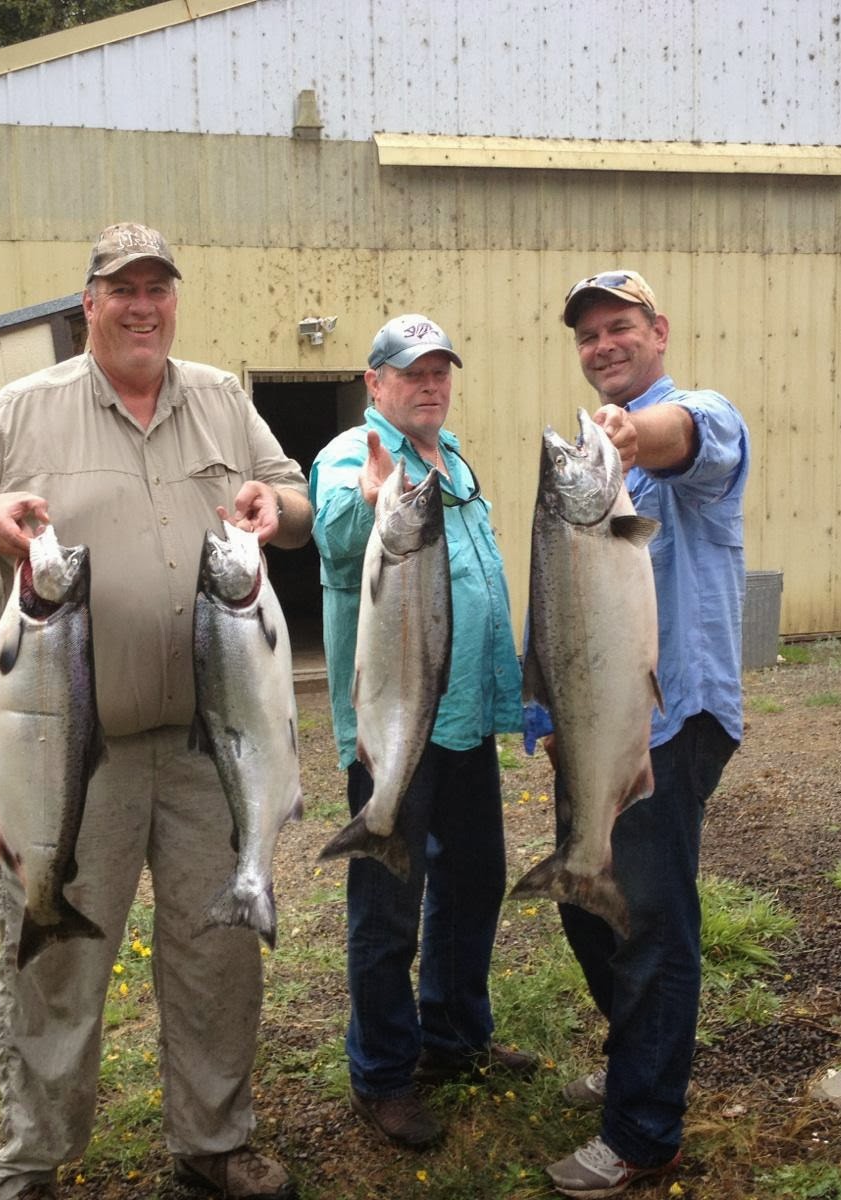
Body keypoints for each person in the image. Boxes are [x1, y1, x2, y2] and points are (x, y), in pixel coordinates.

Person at [0, 223, 312, 1200]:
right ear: (88, 302)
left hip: (215, 747)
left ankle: (212, 1145)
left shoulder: (220, 399)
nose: (141, 306)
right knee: (52, 966)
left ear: (175, 299)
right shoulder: (20, 412)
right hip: (73, 756)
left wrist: (271, 511)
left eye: (157, 288)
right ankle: (32, 1160)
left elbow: (292, 507)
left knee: (219, 955)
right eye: (120, 289)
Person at [542, 271, 750, 1198]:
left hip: (674, 724)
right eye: (588, 337)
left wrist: (635, 436)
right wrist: (546, 717)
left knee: (655, 923)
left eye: (618, 328)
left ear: (658, 332)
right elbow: (562, 603)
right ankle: (640, 1055)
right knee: (586, 899)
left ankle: (643, 1132)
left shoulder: (696, 421)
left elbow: (691, 438)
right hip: (594, 725)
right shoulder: (588, 470)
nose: (603, 346)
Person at [308, 314, 536, 1150]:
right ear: (375, 383)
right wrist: (368, 501)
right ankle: (382, 1075)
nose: (430, 384)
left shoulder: (456, 456)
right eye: (411, 372)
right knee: (387, 909)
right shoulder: (351, 455)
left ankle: (451, 1036)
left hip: (464, 716)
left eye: (441, 371)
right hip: (394, 732)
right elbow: (332, 534)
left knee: (476, 881)